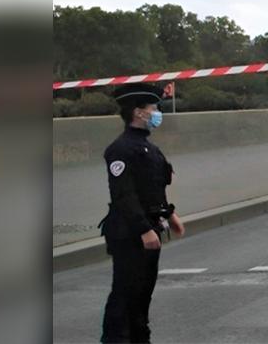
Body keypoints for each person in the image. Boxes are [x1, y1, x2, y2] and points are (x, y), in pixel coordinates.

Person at [99, 83, 184, 343]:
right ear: (139, 112)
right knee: (125, 293)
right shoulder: (121, 149)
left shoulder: (149, 148)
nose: (157, 113)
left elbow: (153, 189)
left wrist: (169, 215)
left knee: (142, 294)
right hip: (129, 232)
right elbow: (124, 194)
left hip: (149, 227)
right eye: (153, 108)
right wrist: (144, 229)